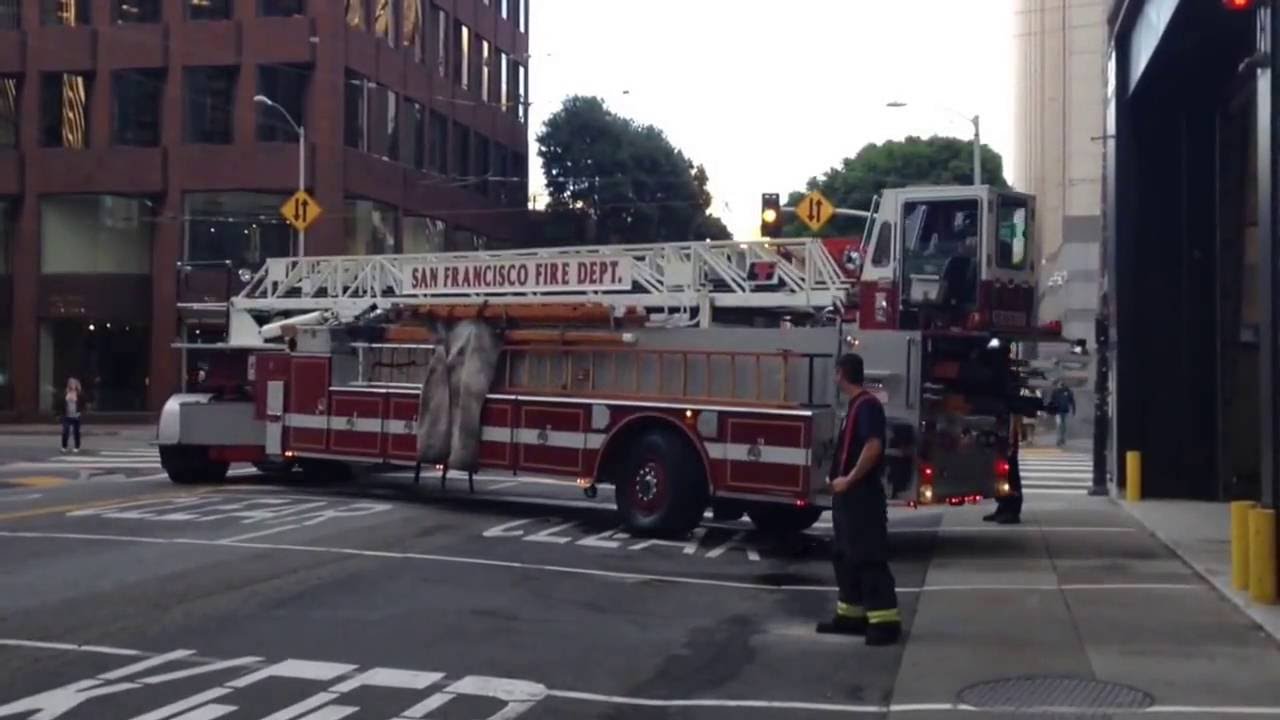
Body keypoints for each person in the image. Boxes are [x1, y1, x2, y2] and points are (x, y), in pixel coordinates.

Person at [816, 353, 902, 646]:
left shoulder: (867, 406)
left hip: (862, 498)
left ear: (841, 373)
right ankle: (851, 616)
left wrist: (849, 479)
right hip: (848, 498)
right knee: (845, 556)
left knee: (868, 556)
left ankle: (885, 624)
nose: (834, 377)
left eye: (835, 372)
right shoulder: (856, 406)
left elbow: (873, 446)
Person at [984, 413, 1024, 524]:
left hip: (1007, 430)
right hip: (1000, 427)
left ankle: (1012, 511)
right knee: (999, 472)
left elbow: (1015, 414)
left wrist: (1011, 438)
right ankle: (1003, 507)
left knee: (1010, 472)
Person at [1049, 379, 1076, 447]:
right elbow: (1052, 401)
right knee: (1060, 425)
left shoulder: (1067, 391)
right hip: (1058, 411)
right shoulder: (1056, 391)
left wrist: (1073, 410)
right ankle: (1060, 439)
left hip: (1064, 411)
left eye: (1062, 384)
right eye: (1060, 384)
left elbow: (1072, 401)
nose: (1061, 386)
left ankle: (1062, 438)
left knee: (1062, 425)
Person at [61, 377, 83, 454]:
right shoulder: (65, 393)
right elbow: (61, 403)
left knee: (76, 432)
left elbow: (83, 403)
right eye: (71, 383)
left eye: (74, 383)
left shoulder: (79, 394)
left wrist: (80, 411)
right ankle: (64, 447)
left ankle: (77, 447)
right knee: (65, 431)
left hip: (76, 416)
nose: (72, 385)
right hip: (67, 416)